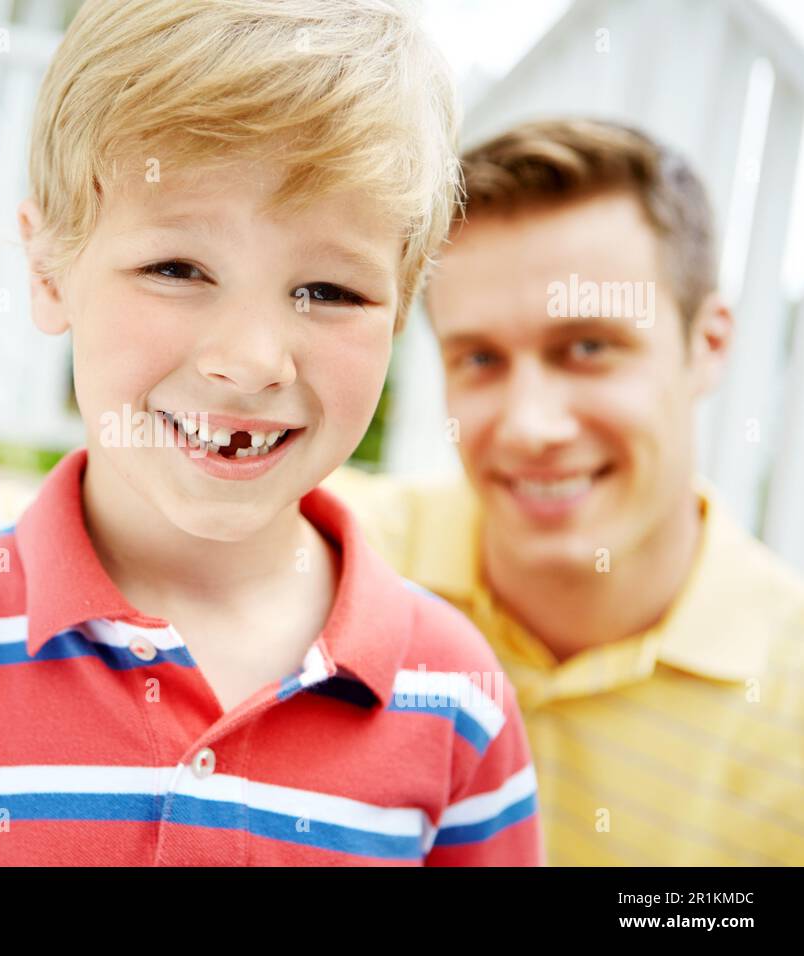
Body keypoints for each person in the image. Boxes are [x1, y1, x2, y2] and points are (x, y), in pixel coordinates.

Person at [0, 0, 540, 867]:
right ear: (48, 270)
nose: (252, 360)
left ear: (402, 307)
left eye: (330, 291)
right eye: (177, 269)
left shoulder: (461, 701)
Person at [325, 119, 804, 865]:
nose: (529, 426)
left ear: (706, 345)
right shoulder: (322, 554)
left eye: (588, 349)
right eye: (480, 357)